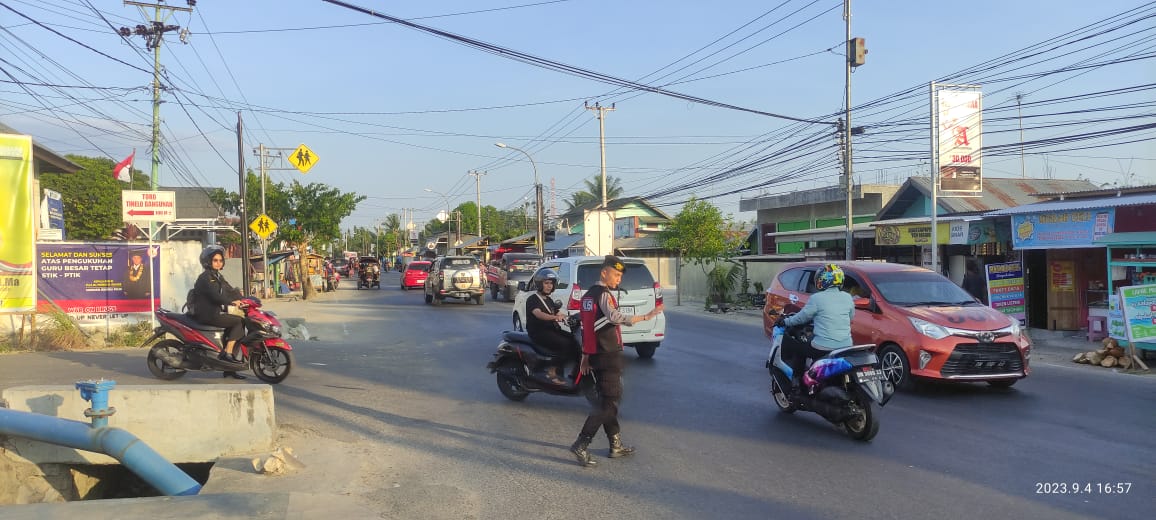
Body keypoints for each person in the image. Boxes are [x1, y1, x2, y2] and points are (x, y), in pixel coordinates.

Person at [569, 255, 663, 468]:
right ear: (604, 272)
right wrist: (646, 317)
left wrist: (585, 355)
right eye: (616, 274)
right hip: (608, 354)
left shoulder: (587, 296)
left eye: (621, 275)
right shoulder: (604, 294)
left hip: (595, 354)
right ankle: (581, 443)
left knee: (607, 400)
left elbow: (586, 327)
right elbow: (614, 317)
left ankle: (615, 444)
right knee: (610, 403)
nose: (619, 279)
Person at [775, 264, 854, 382]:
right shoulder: (848, 297)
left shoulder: (817, 298)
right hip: (846, 346)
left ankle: (796, 383)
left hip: (823, 347)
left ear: (823, 280)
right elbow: (850, 317)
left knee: (798, 350)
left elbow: (801, 318)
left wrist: (785, 322)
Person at [191, 245, 246, 380]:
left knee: (236, 331)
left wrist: (244, 299)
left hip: (214, 313)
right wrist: (232, 302)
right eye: (215, 260)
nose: (218, 263)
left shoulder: (217, 276)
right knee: (238, 322)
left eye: (220, 260)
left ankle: (229, 368)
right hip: (207, 314)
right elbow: (216, 296)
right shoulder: (205, 277)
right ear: (208, 261)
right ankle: (227, 353)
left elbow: (229, 290)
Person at [525, 270, 578, 385]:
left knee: (575, 341)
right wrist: (554, 317)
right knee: (564, 344)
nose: (550, 286)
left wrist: (567, 317)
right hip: (539, 332)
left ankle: (575, 372)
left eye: (551, 283)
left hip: (551, 330)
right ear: (539, 284)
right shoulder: (533, 299)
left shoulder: (549, 300)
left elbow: (557, 312)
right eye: (546, 283)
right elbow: (538, 313)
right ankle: (552, 371)